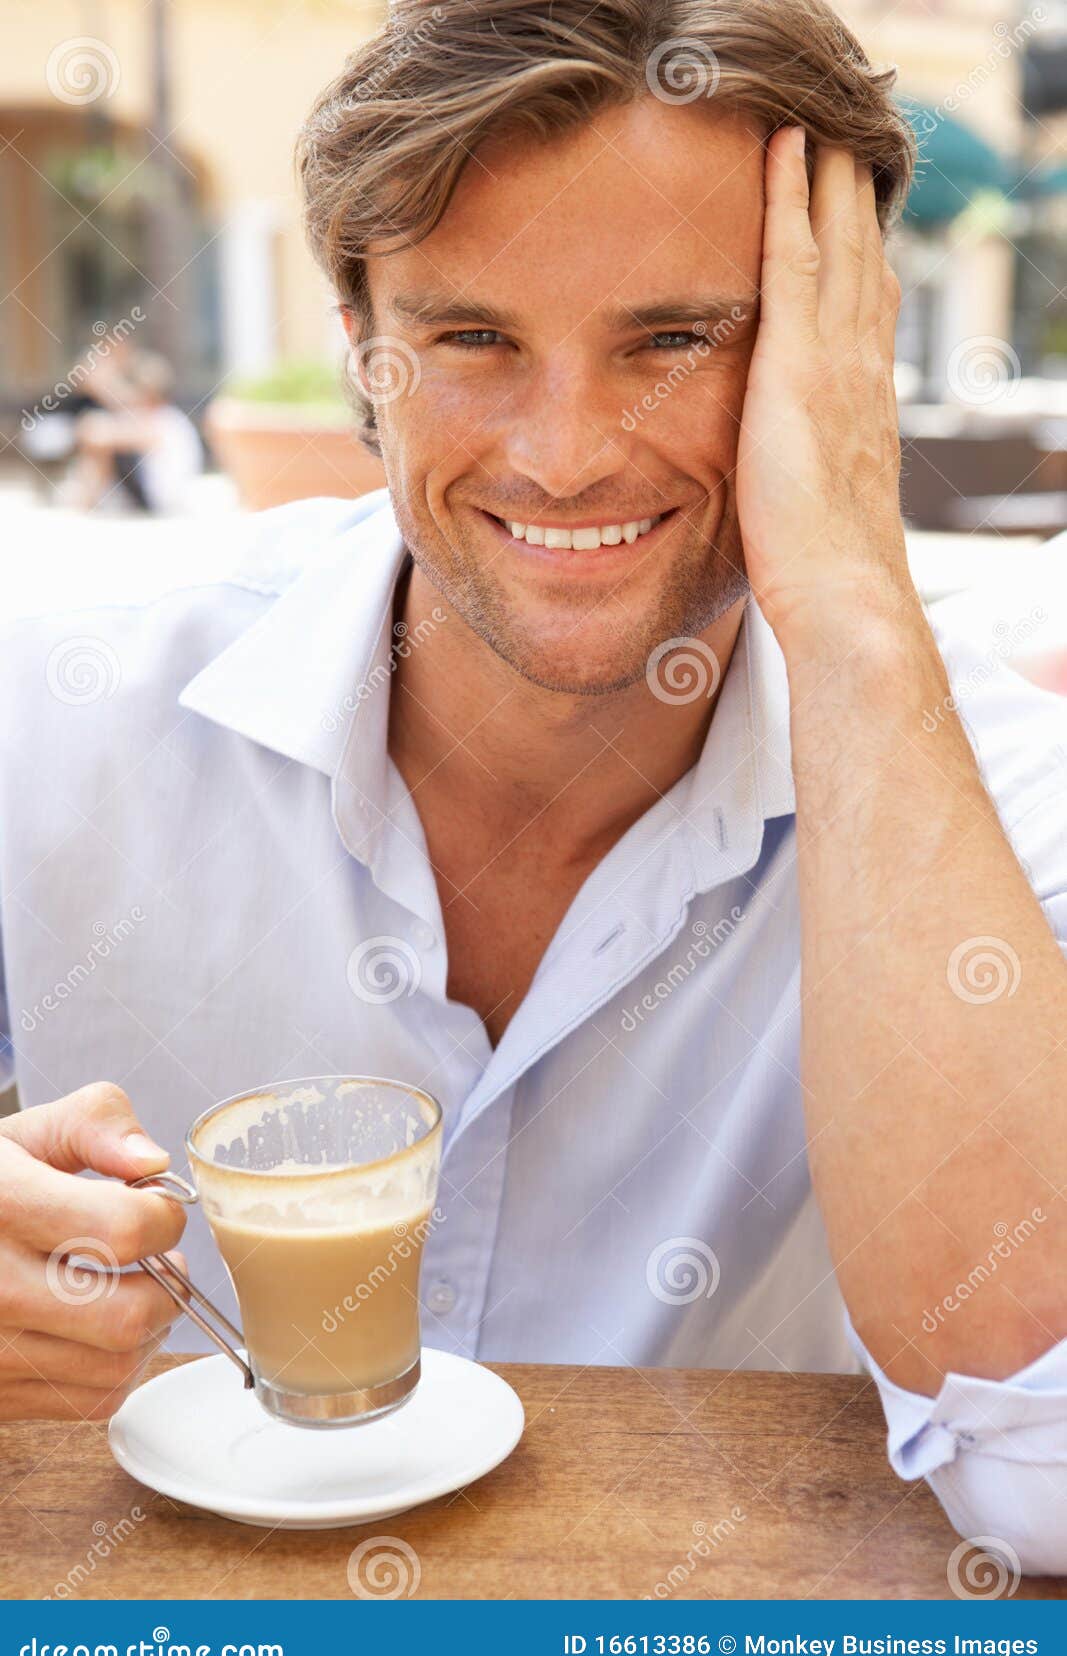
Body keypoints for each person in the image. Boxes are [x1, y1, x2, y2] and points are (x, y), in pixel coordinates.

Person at [2, 0, 1067, 1572]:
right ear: (362, 342)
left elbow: (1039, 1475)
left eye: (674, 338)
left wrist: (845, 598)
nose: (565, 454)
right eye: (471, 337)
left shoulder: (991, 796)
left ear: (836, 351)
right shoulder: (53, 712)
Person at [68, 350, 203, 514]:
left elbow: (100, 435)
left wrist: (102, 387)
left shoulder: (165, 421)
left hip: (162, 504)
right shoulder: (159, 417)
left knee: (101, 441)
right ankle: (85, 504)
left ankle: (84, 507)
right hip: (156, 501)